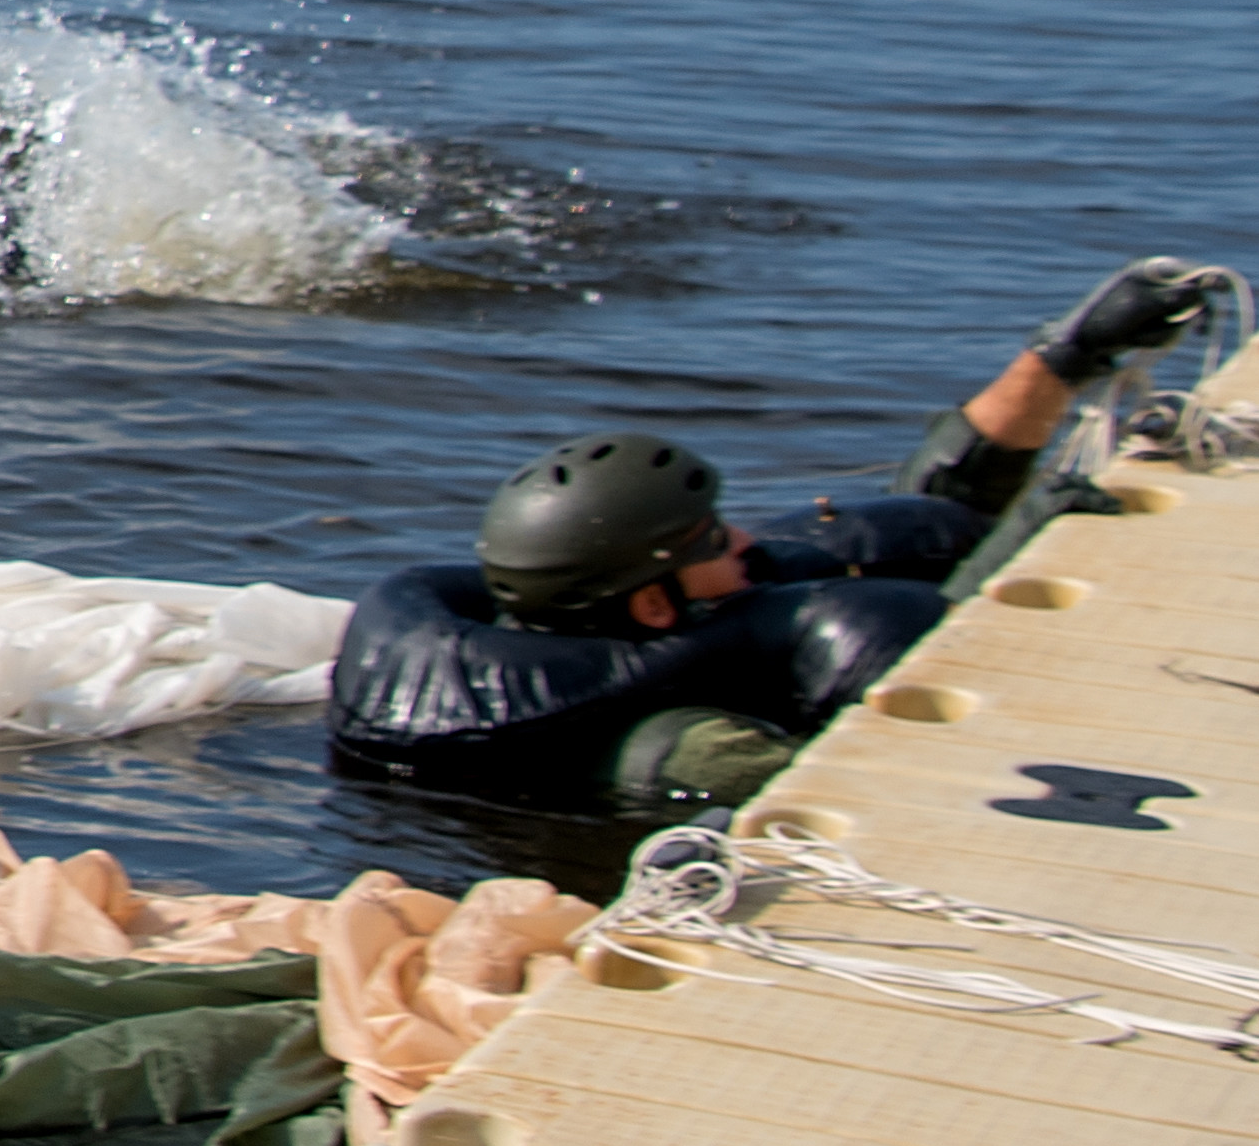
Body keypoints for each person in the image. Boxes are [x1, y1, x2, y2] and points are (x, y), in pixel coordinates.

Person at [330, 256, 1232, 818]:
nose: (747, 540)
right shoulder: (685, 743)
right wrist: (1016, 561)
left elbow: (929, 516)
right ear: (653, 600)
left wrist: (1066, 356)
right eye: (715, 540)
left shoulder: (649, 611)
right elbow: (917, 749)